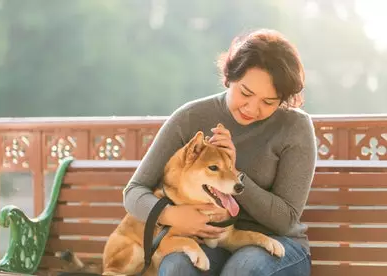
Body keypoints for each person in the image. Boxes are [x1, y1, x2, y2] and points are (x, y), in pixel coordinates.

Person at [123, 29, 316, 276]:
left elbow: (285, 219)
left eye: (269, 102)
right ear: (229, 77)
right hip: (209, 241)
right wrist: (172, 215)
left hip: (279, 247)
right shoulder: (191, 118)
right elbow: (134, 191)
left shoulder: (294, 127)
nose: (252, 108)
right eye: (246, 93)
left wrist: (234, 174)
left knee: (243, 269)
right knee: (176, 267)